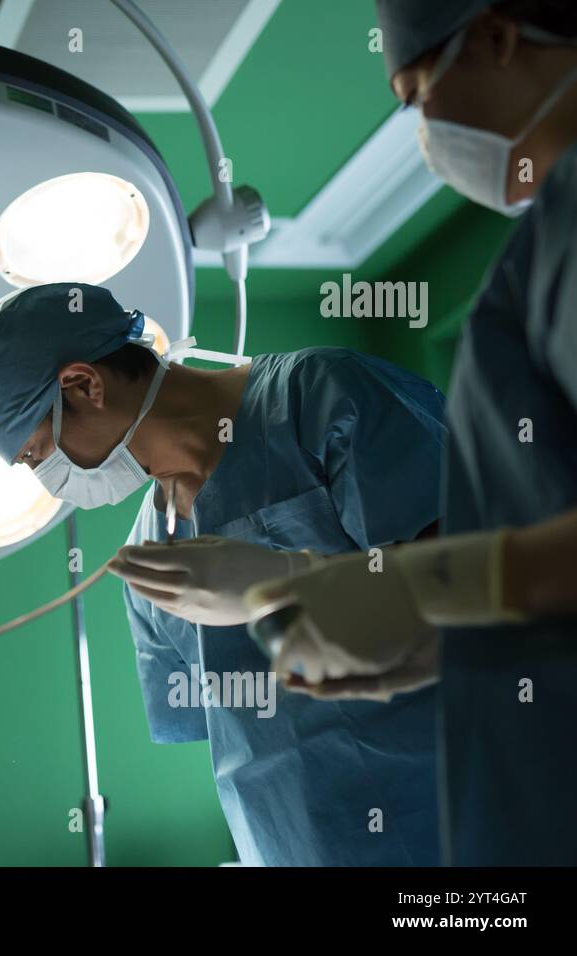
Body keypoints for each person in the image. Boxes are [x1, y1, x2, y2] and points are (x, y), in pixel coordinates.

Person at [0, 283, 447, 865]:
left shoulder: (322, 399)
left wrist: (283, 584)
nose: (46, 478)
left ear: (84, 385)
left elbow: (478, 603)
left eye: (35, 454)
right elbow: (246, 747)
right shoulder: (152, 555)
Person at [244, 0, 577, 865]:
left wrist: (451, 584)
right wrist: (450, 633)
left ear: (501, 34)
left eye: (416, 90)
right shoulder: (546, 246)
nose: (421, 127)